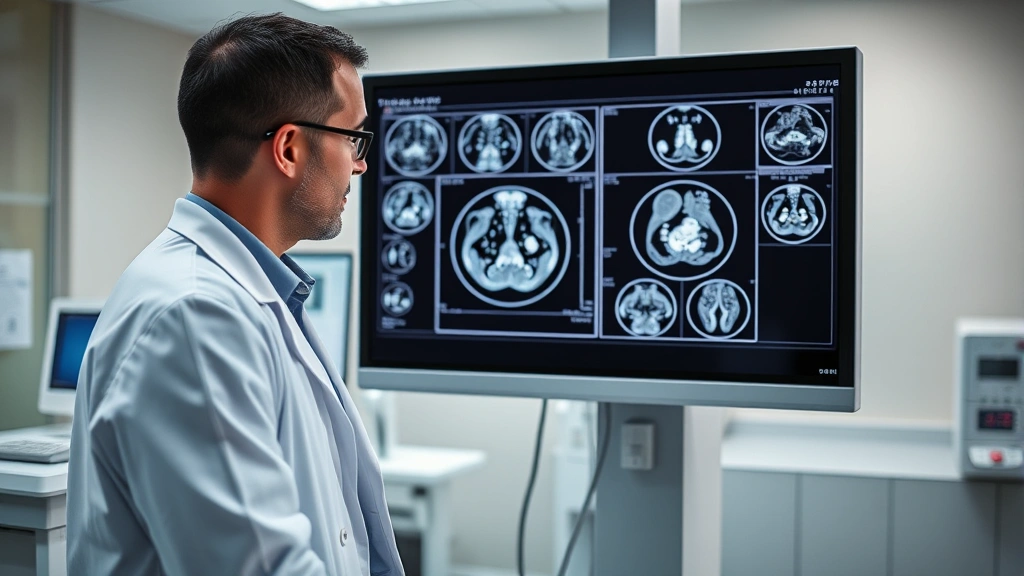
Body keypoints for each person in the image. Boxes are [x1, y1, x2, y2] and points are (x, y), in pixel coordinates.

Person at [66, 13, 404, 576]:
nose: (362, 162)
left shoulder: (255, 294)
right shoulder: (194, 317)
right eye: (354, 137)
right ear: (290, 149)